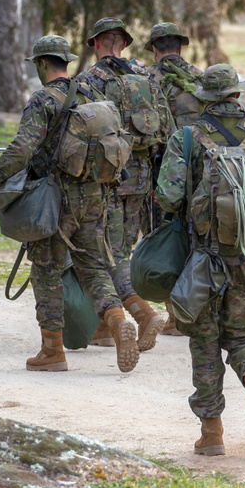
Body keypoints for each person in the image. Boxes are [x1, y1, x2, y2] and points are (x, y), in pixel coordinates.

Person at [0, 35, 139, 373]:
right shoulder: (93, 95)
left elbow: (23, 147)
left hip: (56, 199)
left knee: (46, 270)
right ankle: (117, 317)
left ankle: (52, 350)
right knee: (92, 266)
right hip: (96, 196)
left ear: (41, 63)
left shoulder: (43, 99)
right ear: (66, 61)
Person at [155, 64, 245, 456]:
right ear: (237, 95)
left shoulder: (187, 137)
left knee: (204, 340)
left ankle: (212, 433)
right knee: (242, 335)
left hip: (202, 255)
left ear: (204, 99)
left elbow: (167, 196)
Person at [79, 17, 171, 351]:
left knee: (104, 251)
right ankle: (104, 328)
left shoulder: (90, 80)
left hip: (106, 180)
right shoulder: (146, 78)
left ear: (95, 43)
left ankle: (141, 315)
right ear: (124, 44)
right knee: (121, 248)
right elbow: (168, 132)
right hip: (142, 178)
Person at [144, 21, 205, 338]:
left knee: (165, 237)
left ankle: (174, 315)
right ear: (181, 47)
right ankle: (192, 310)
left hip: (162, 174)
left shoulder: (146, 80)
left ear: (155, 48)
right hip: (202, 173)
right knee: (196, 238)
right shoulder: (201, 80)